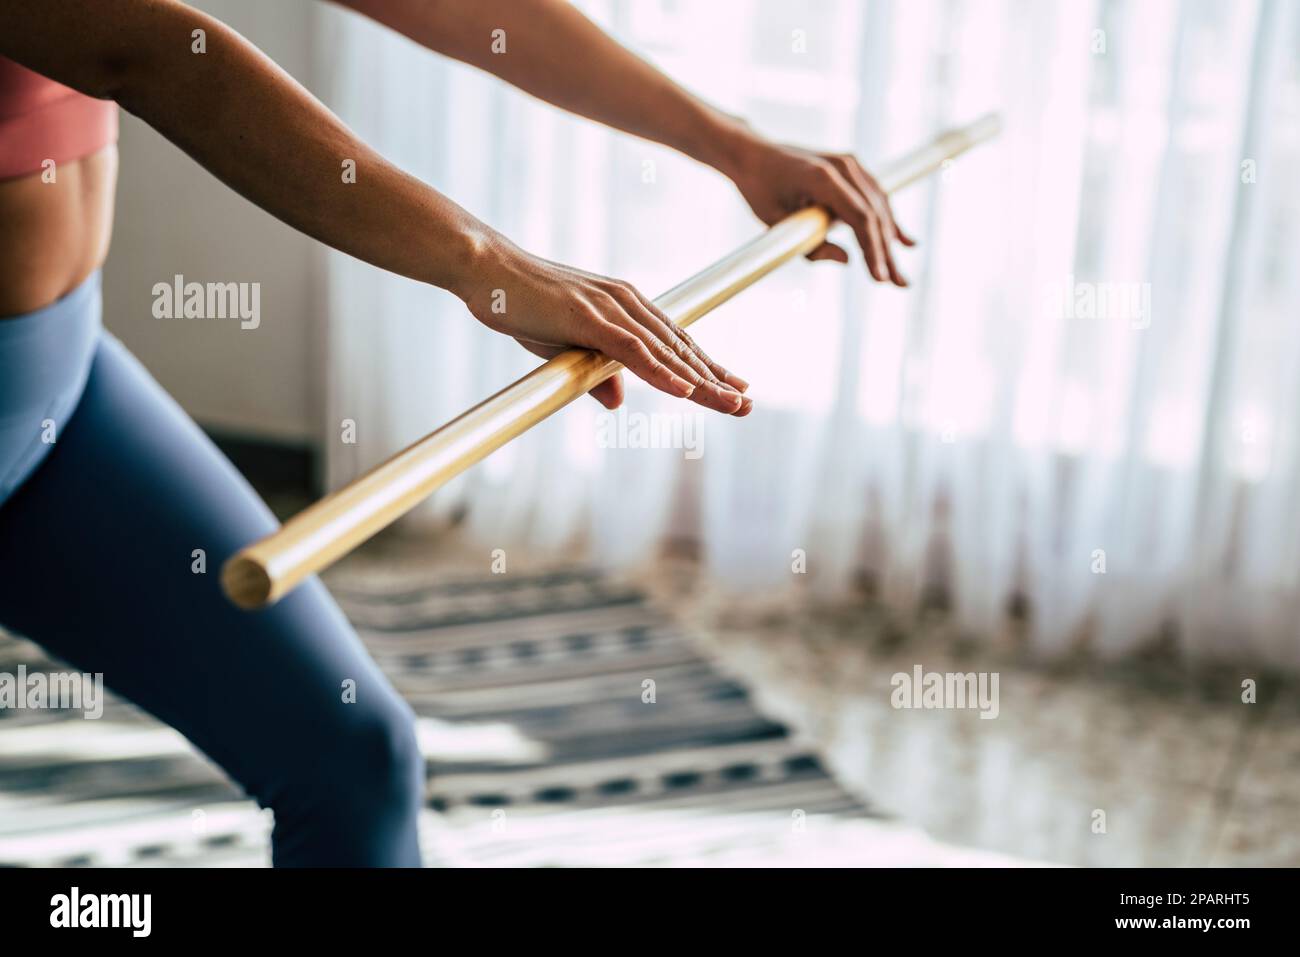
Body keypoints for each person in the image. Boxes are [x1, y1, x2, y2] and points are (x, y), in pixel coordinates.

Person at [0, 0, 913, 866]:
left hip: (58, 386)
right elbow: (149, 53)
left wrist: (734, 148)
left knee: (351, 757)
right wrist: (486, 266)